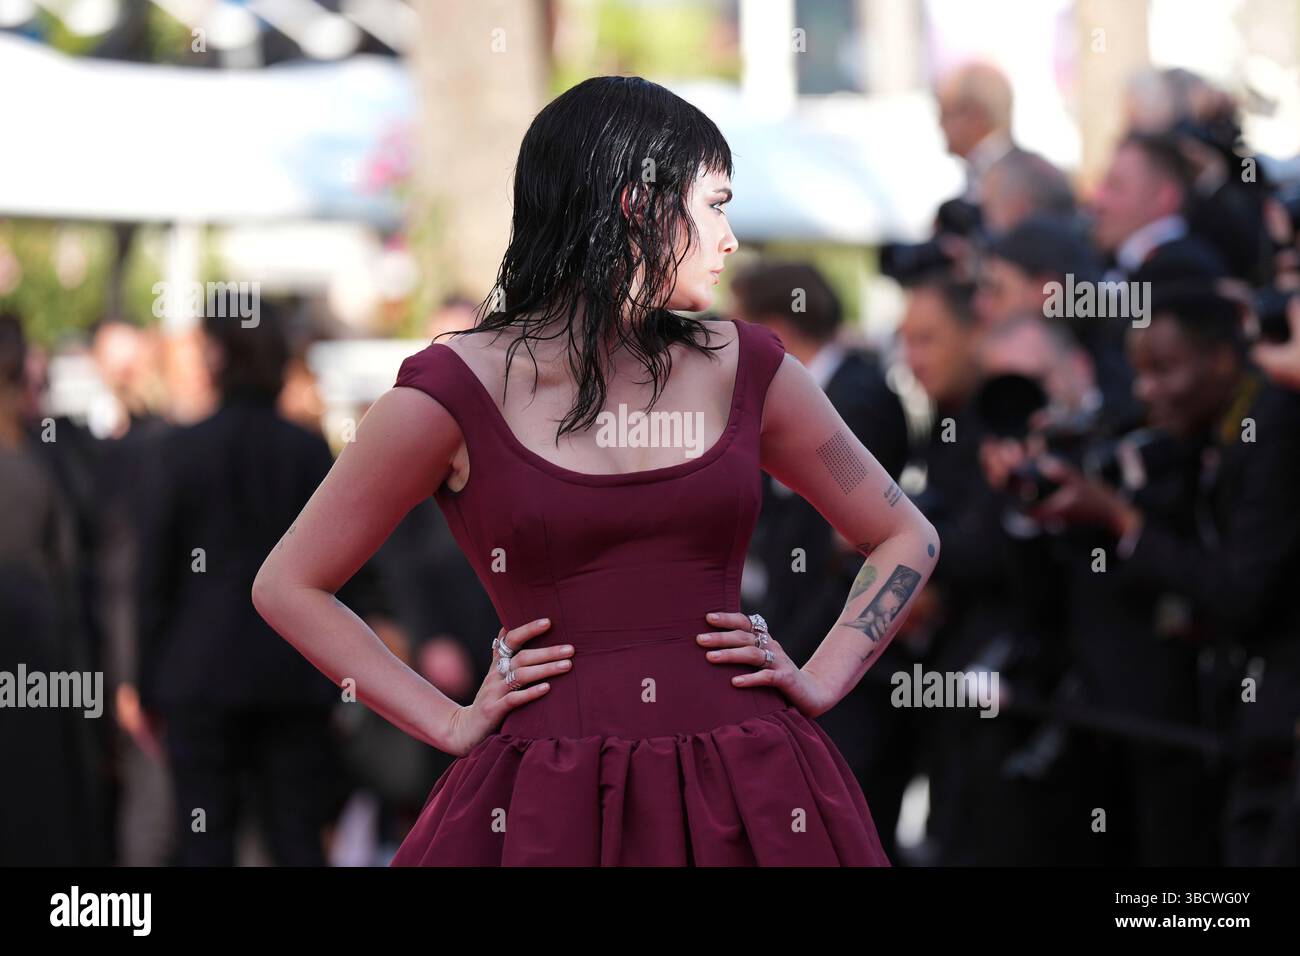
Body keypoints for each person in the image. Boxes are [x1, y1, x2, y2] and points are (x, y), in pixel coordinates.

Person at [252, 75, 940, 866]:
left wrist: (824, 676)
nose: (731, 238)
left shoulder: (746, 366)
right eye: (715, 204)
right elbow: (289, 584)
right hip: (546, 797)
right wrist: (444, 720)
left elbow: (904, 535)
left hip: (748, 784)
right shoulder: (449, 390)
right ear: (637, 205)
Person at [731, 260, 912, 860]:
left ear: (775, 328)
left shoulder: (857, 396)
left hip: (843, 667)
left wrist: (813, 672)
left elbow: (885, 542)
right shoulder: (818, 391)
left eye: (736, 327)